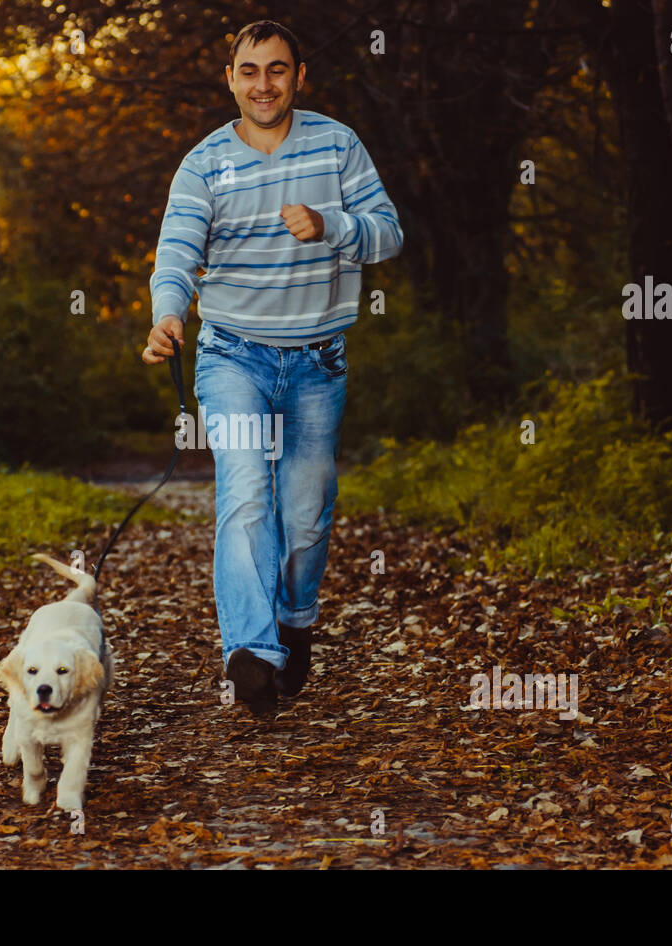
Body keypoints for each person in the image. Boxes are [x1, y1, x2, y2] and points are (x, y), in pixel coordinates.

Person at [142, 20, 403, 715]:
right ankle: (252, 653)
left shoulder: (338, 145)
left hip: (319, 362)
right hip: (233, 357)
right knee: (247, 496)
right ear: (230, 77)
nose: (264, 84)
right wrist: (169, 314)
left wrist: (332, 224)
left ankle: (294, 619)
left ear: (299, 75)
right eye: (250, 70)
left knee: (307, 513)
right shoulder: (204, 164)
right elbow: (175, 253)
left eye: (278, 70)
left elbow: (389, 232)